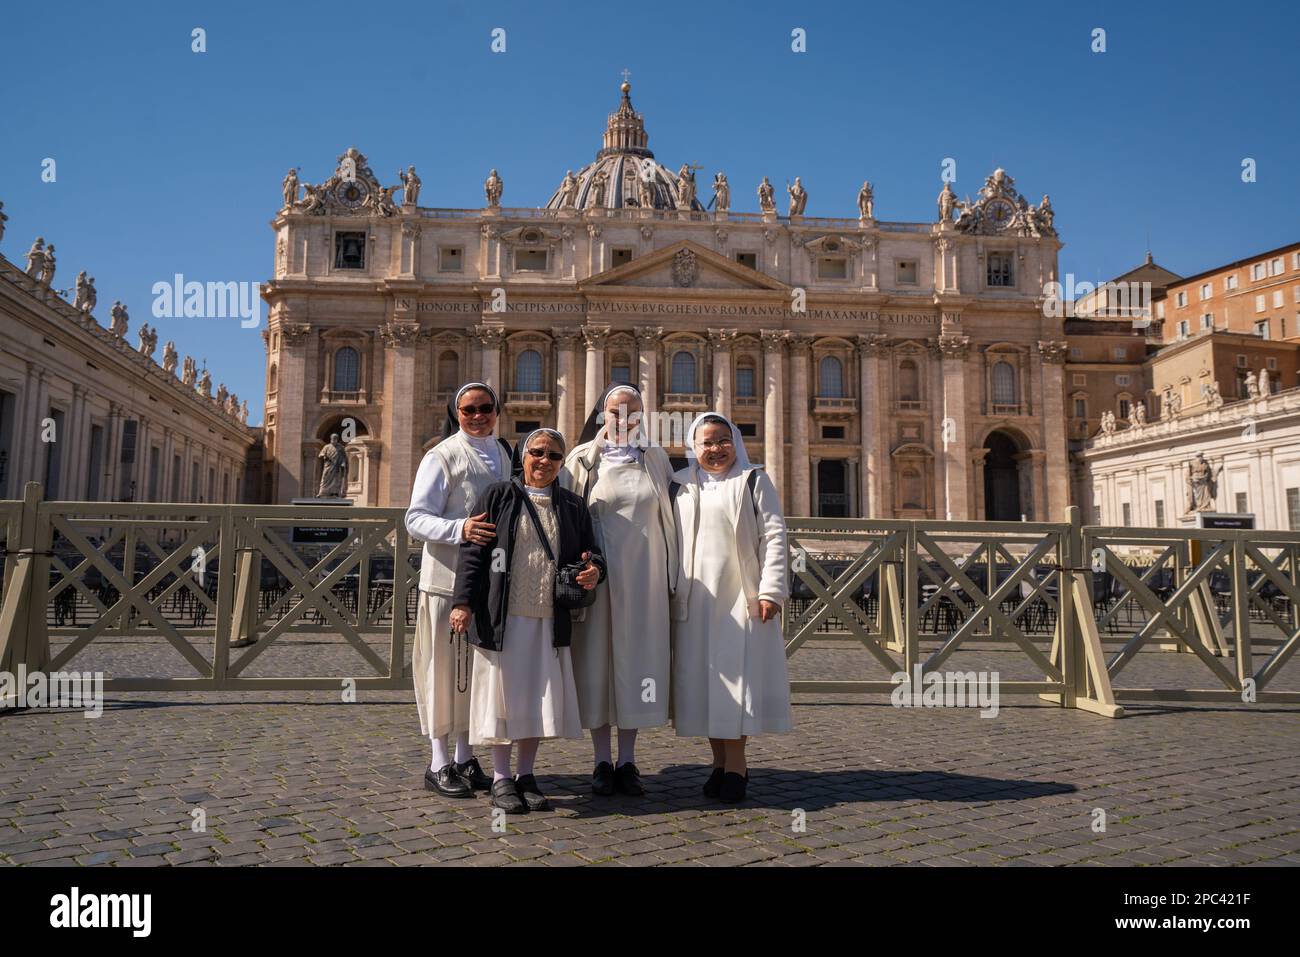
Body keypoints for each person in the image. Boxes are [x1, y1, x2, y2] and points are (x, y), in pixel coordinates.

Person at [450, 429, 605, 814]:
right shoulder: (498, 495)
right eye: (537, 453)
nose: (545, 461)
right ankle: (501, 777)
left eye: (554, 456)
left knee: (537, 699)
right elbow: (474, 553)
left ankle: (526, 774)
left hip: (549, 617)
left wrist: (594, 571)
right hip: (504, 615)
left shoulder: (572, 504)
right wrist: (463, 602)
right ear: (523, 456)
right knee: (503, 699)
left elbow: (593, 553)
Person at [562, 384, 678, 797]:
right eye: (614, 412)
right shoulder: (580, 461)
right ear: (601, 415)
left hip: (644, 579)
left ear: (642, 418)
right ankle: (599, 761)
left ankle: (627, 760)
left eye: (632, 413)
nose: (623, 419)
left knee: (635, 664)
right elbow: (565, 519)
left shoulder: (657, 458)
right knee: (595, 664)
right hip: (597, 580)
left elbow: (674, 518)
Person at [670, 412, 791, 803]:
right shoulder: (679, 484)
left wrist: (771, 590)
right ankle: (719, 762)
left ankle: (736, 765)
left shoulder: (754, 479)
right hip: (694, 598)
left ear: (734, 442)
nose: (715, 449)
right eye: (706, 443)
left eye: (722, 441)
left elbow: (774, 536)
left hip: (741, 597)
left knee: (737, 683)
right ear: (694, 447)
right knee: (705, 683)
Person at [405, 383, 511, 798]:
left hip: (487, 585)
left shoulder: (504, 452)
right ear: (457, 413)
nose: (478, 416)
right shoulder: (441, 455)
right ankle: (437, 761)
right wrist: (459, 528)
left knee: (472, 676)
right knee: (441, 671)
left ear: (496, 410)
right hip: (445, 582)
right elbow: (415, 519)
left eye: (486, 408)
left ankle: (465, 758)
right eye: (469, 410)